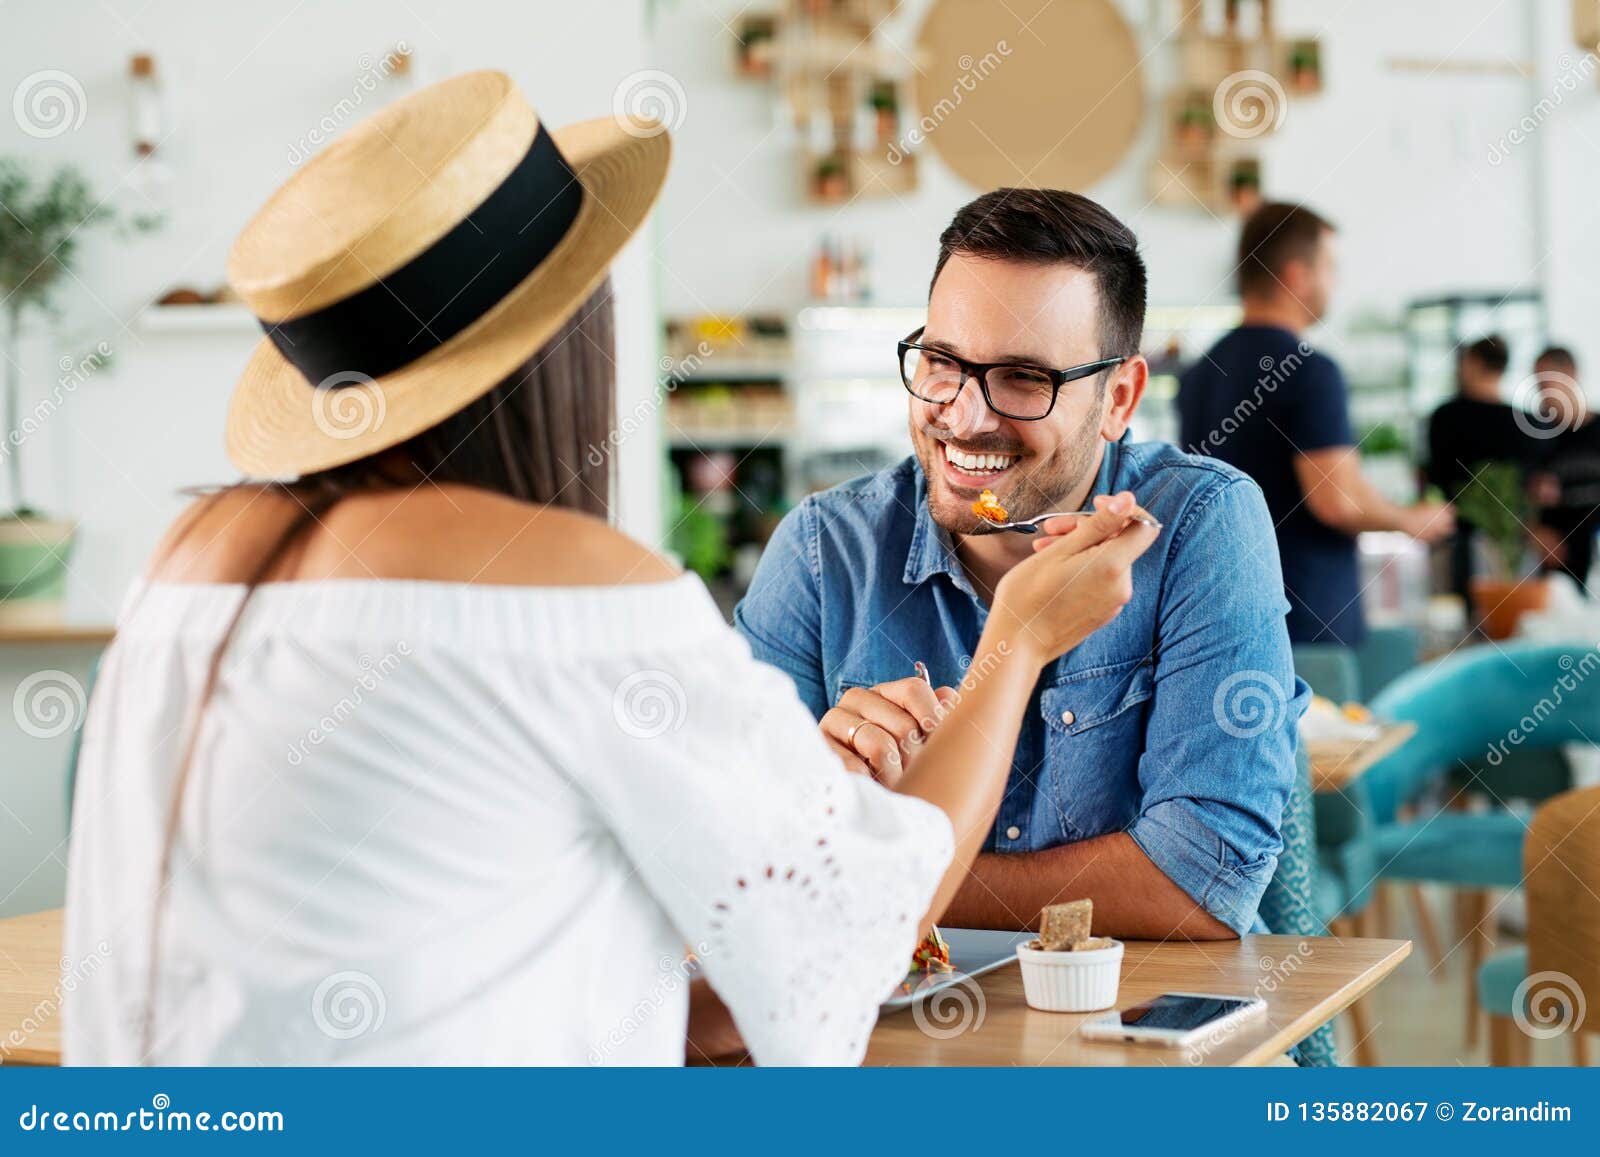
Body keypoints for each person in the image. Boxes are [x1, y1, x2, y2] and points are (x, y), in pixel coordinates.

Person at [62, 73, 1158, 1066]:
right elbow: (853, 927)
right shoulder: (567, 590)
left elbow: (450, 960)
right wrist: (1016, 641)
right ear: (568, 339)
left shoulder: (189, 563)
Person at [736, 188, 1303, 941]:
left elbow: (1200, 882)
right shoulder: (822, 551)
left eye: (1024, 379)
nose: (964, 416)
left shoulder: (1202, 524)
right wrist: (814, 801)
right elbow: (736, 863)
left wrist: (871, 866)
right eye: (942, 362)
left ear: (1119, 398)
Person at [1177, 203, 1452, 646]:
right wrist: (1410, 519)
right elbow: (1336, 500)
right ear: (1296, 275)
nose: (1334, 282)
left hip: (1218, 612)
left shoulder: (1200, 372)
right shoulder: (1310, 371)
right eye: (1330, 267)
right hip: (1304, 617)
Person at [1426, 335, 1548, 600]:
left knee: (1465, 621)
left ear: (1472, 363)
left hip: (1460, 542)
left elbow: (1434, 478)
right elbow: (1539, 488)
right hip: (1520, 545)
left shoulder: (1445, 417)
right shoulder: (1528, 424)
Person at [1528, 346, 1600, 592]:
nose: (1544, 394)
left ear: (1572, 375)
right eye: (1539, 385)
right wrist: (1535, 532)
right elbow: (1522, 501)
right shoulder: (1538, 440)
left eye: (1548, 383)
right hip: (1558, 575)